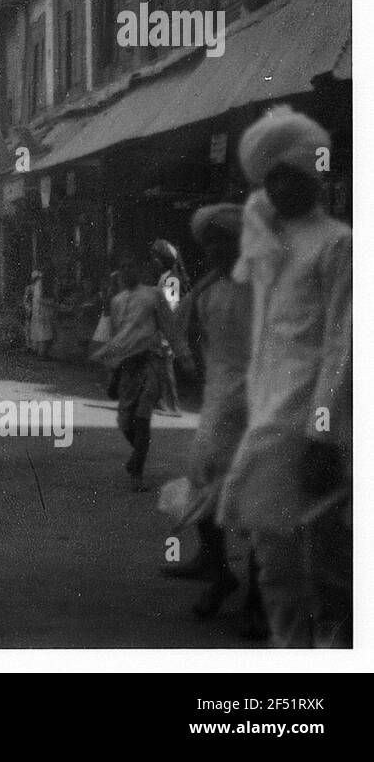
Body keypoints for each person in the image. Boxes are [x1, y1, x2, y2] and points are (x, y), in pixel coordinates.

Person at [218, 107, 351, 648]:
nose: (274, 187)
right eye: (267, 177)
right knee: (275, 564)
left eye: (286, 174)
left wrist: (324, 434)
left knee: (326, 569)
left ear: (311, 175)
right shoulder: (269, 246)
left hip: (315, 428)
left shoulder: (338, 243)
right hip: (269, 422)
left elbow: (343, 342)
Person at [167, 203, 265, 635]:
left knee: (260, 496)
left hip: (264, 396)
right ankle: (217, 567)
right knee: (202, 481)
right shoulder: (207, 290)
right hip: (219, 397)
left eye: (225, 241)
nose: (216, 250)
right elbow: (180, 324)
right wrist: (190, 359)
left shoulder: (264, 284)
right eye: (210, 244)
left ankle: (259, 599)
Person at [92, 255, 171, 491]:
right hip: (128, 366)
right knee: (125, 422)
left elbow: (169, 325)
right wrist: (113, 371)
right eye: (122, 267)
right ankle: (138, 452)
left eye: (131, 265)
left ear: (140, 269)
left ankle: (137, 468)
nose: (127, 271)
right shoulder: (117, 301)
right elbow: (119, 338)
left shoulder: (154, 295)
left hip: (151, 361)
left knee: (142, 415)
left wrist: (183, 354)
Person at [150, 239, 191, 415]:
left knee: (167, 367)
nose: (154, 261)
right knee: (161, 366)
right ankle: (163, 402)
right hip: (161, 328)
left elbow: (171, 305)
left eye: (157, 258)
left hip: (168, 328)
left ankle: (173, 405)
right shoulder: (164, 277)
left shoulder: (171, 279)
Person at [24, 267, 55, 357]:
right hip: (39, 312)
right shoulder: (34, 287)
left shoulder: (39, 286)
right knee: (41, 332)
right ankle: (39, 352)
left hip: (39, 311)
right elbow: (36, 300)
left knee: (40, 332)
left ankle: (39, 351)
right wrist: (28, 308)